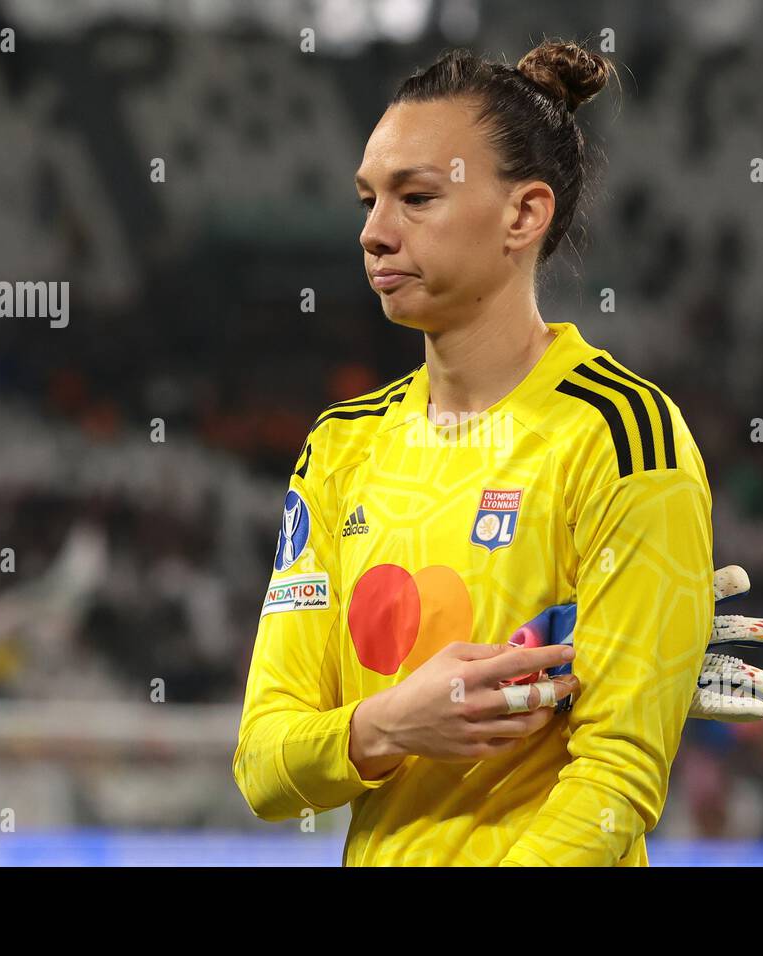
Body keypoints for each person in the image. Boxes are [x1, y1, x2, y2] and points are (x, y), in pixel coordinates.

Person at [234, 40, 715, 866]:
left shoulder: (624, 434)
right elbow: (264, 768)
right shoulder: (339, 447)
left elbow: (615, 785)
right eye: (368, 200)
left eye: (415, 198)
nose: (373, 234)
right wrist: (388, 724)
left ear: (523, 215)